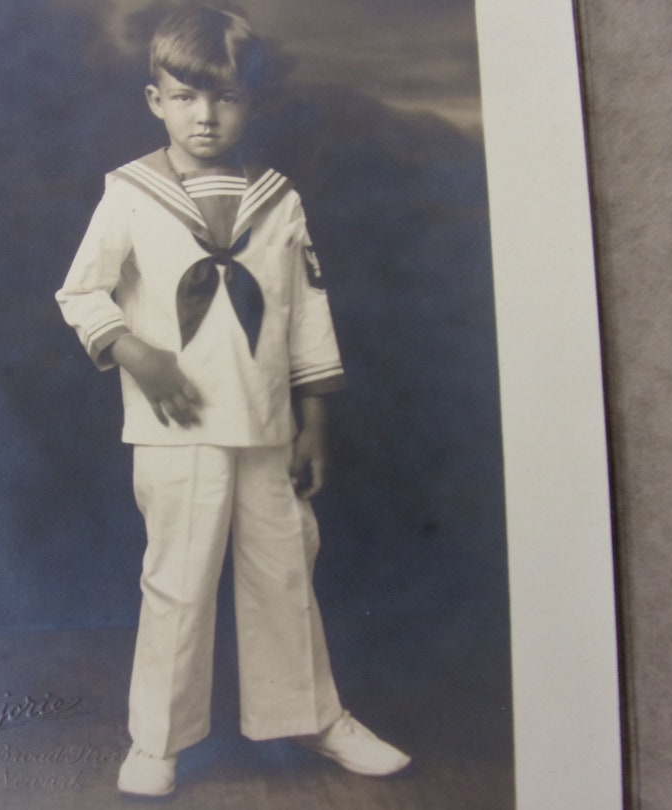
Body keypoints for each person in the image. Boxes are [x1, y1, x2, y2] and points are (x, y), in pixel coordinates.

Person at [56, 6, 410, 798]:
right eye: (185, 99)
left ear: (253, 102)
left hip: (266, 424)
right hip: (176, 427)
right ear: (155, 100)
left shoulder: (278, 200)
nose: (206, 117)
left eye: (225, 99)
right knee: (177, 583)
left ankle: (314, 715)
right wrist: (134, 351)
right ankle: (157, 739)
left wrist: (311, 421)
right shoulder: (131, 193)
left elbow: (306, 310)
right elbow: (80, 292)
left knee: (285, 572)